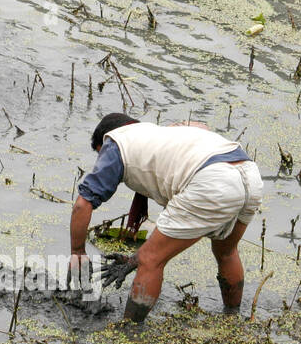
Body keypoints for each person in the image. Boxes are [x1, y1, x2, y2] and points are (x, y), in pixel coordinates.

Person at [68, 113, 263, 323]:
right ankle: (231, 318)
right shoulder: (159, 133)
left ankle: (130, 330)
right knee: (226, 251)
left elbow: (82, 204)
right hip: (249, 173)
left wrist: (77, 252)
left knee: (151, 260)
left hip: (211, 180)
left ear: (105, 139)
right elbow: (200, 127)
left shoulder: (115, 142)